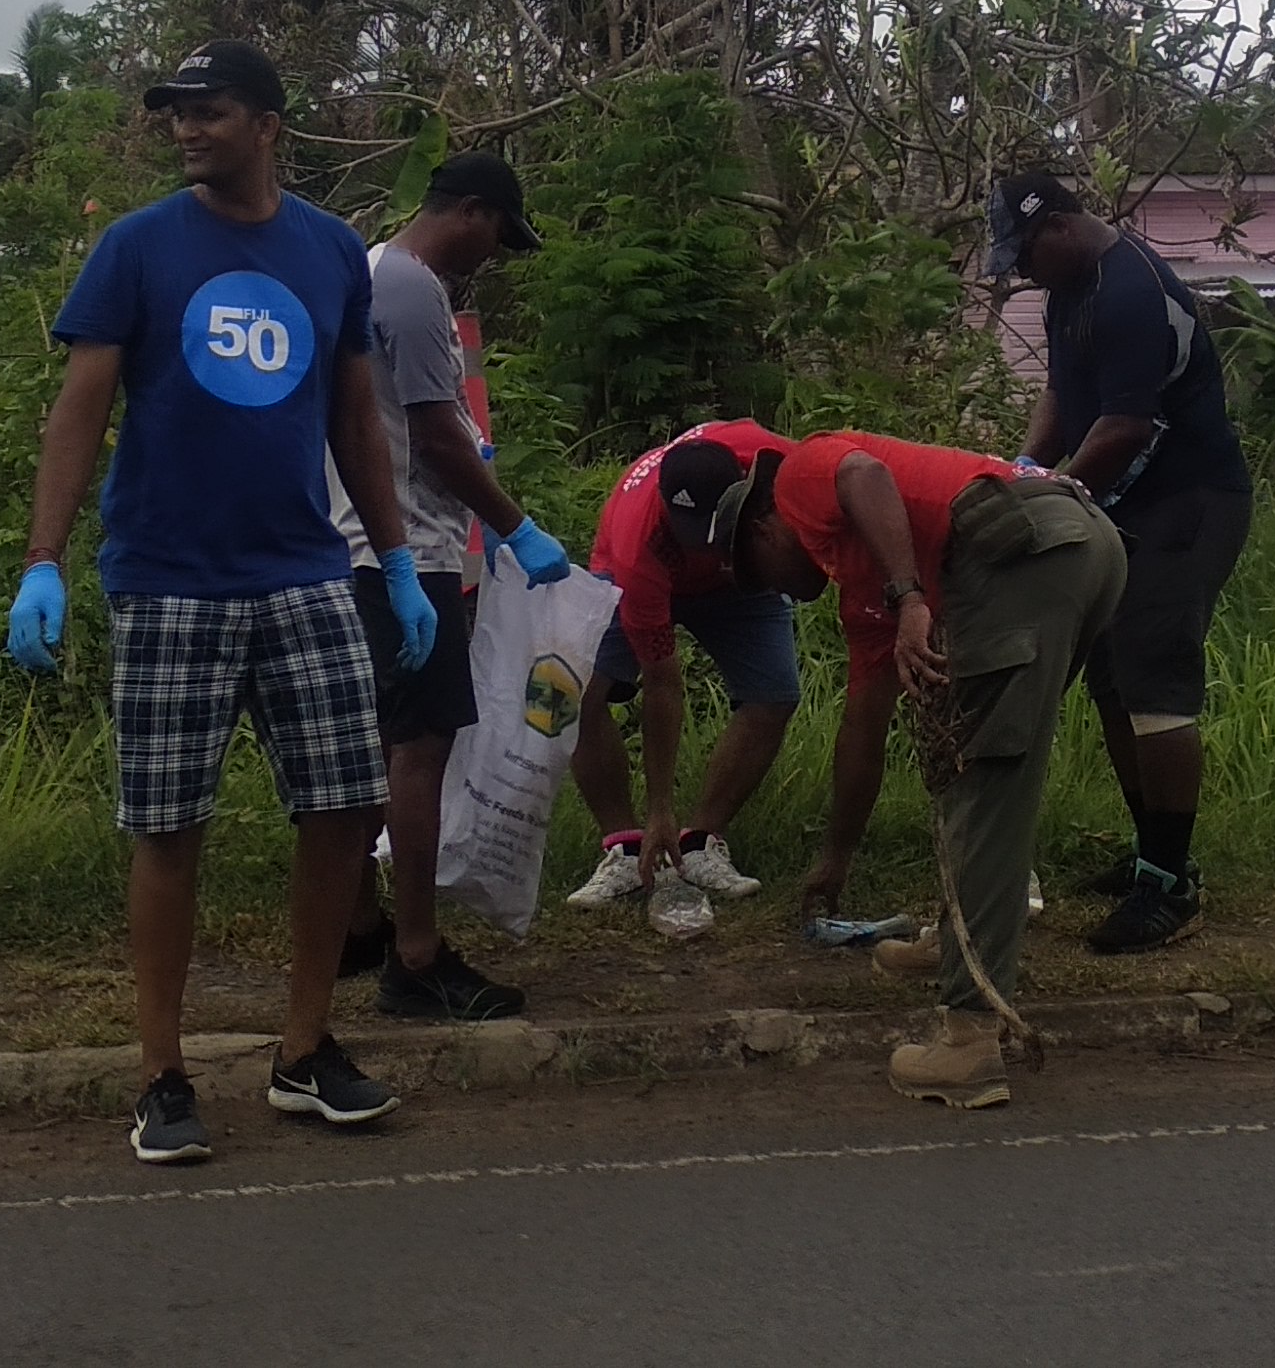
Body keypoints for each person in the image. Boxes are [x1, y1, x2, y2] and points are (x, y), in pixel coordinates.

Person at [6, 40, 434, 1166]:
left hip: (302, 573)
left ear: (269, 125)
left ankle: (303, 1052)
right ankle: (160, 1074)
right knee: (168, 827)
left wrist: (392, 561)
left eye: (213, 110)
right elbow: (78, 411)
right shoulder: (137, 247)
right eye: (178, 113)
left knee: (344, 808)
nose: (189, 128)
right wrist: (42, 559)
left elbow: (355, 418)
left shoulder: (331, 251)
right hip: (168, 584)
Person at [684, 428, 1126, 1107]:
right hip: (1076, 550)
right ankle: (957, 939)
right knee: (967, 763)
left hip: (1024, 547)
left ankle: (969, 1043)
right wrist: (837, 858)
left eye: (756, 573)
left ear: (765, 529)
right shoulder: (862, 585)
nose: (769, 591)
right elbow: (863, 727)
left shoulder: (800, 476)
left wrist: (911, 599)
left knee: (988, 792)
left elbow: (865, 474)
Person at [329, 150, 574, 1020]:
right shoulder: (414, 287)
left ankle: (356, 925)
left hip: (353, 545)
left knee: (368, 745)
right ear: (469, 213)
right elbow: (434, 439)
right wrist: (518, 526)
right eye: (496, 239)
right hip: (409, 552)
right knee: (420, 749)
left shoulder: (360, 268)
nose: (490, 259)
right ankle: (416, 955)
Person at [991, 170, 1255, 955]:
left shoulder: (1130, 295)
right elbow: (1064, 397)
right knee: (1109, 672)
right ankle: (1152, 854)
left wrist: (1052, 500)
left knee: (1153, 672)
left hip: (1189, 505)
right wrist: (1020, 472)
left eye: (1026, 254)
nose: (1023, 272)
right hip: (1126, 507)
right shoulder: (1068, 285)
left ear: (1062, 226)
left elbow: (1124, 428)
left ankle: (1171, 886)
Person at [563, 420, 807, 933]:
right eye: (688, 532)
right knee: (578, 696)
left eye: (709, 534)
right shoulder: (642, 543)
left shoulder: (777, 462)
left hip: (744, 571)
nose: (699, 545)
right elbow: (662, 682)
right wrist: (659, 810)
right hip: (637, 577)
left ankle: (701, 842)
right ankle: (626, 848)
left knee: (775, 693)